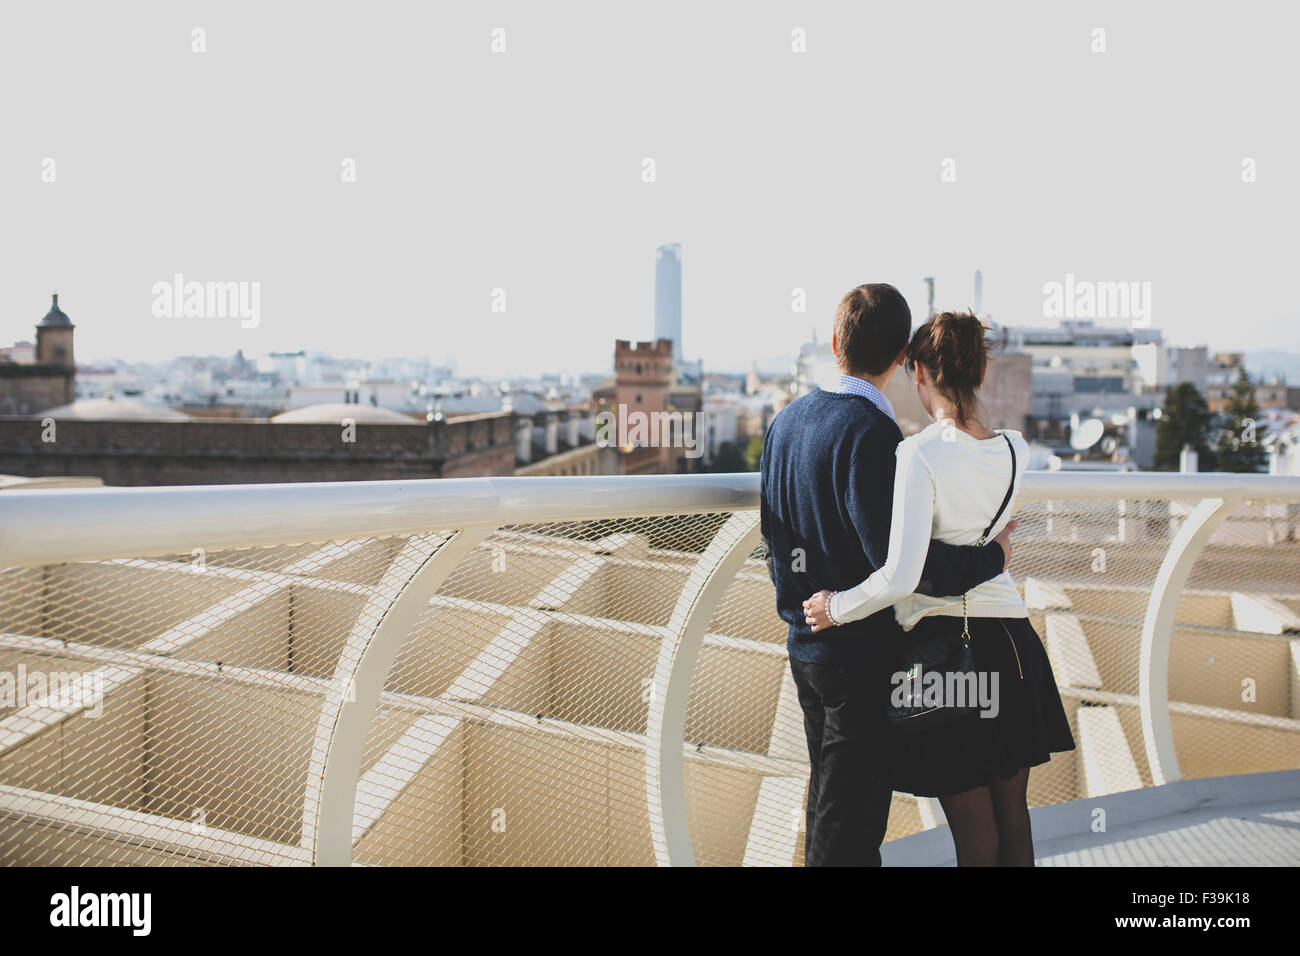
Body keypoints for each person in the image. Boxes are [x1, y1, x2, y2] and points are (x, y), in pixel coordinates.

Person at [803, 310, 1076, 867]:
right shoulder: (1016, 451)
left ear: (921, 372)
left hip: (946, 658)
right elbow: (987, 542)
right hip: (1014, 648)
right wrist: (991, 556)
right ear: (977, 371)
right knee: (1013, 819)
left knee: (974, 833)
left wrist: (836, 606)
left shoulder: (918, 454)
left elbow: (902, 575)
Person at [760, 285, 1015, 867]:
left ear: (834, 343)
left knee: (829, 801)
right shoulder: (872, 436)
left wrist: (799, 609)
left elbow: (773, 538)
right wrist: (992, 558)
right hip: (861, 658)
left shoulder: (786, 422)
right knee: (852, 824)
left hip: (806, 645)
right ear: (903, 356)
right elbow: (905, 564)